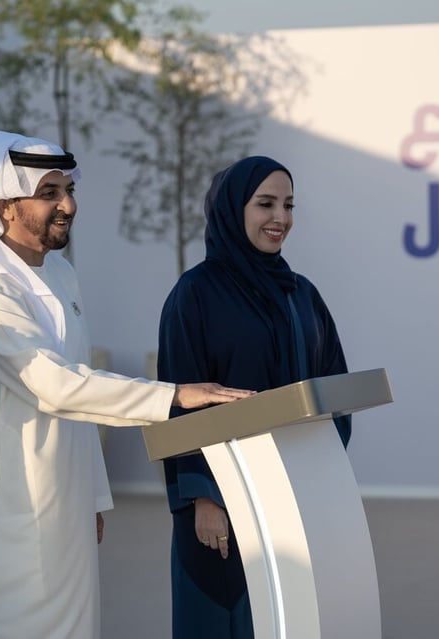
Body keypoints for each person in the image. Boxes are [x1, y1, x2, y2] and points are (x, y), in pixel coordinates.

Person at [0, 130, 253, 639]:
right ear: (6, 206)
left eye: (69, 190)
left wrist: (93, 497)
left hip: (66, 509)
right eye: (50, 193)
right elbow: (57, 385)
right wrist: (173, 395)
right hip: (6, 515)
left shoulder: (58, 272)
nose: (68, 205)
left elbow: (80, 391)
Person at [157, 155, 352, 639]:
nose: (280, 218)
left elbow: (333, 387)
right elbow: (178, 398)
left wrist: (318, 468)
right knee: (223, 617)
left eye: (288, 205)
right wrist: (203, 495)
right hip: (225, 497)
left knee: (290, 618)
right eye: (265, 203)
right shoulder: (195, 294)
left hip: (293, 492)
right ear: (231, 209)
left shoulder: (302, 296)